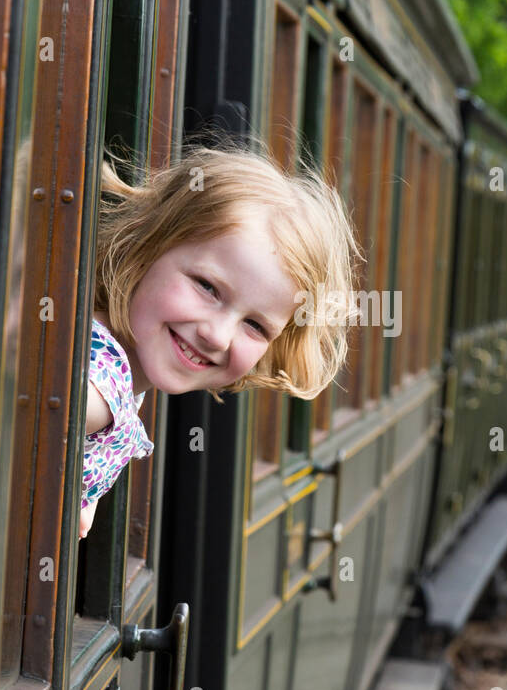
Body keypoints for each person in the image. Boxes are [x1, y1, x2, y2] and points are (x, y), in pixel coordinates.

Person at [79, 144, 363, 538]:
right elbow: (56, 403)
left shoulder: (124, 373)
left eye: (255, 326)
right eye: (207, 287)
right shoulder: (100, 378)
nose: (217, 335)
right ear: (148, 247)